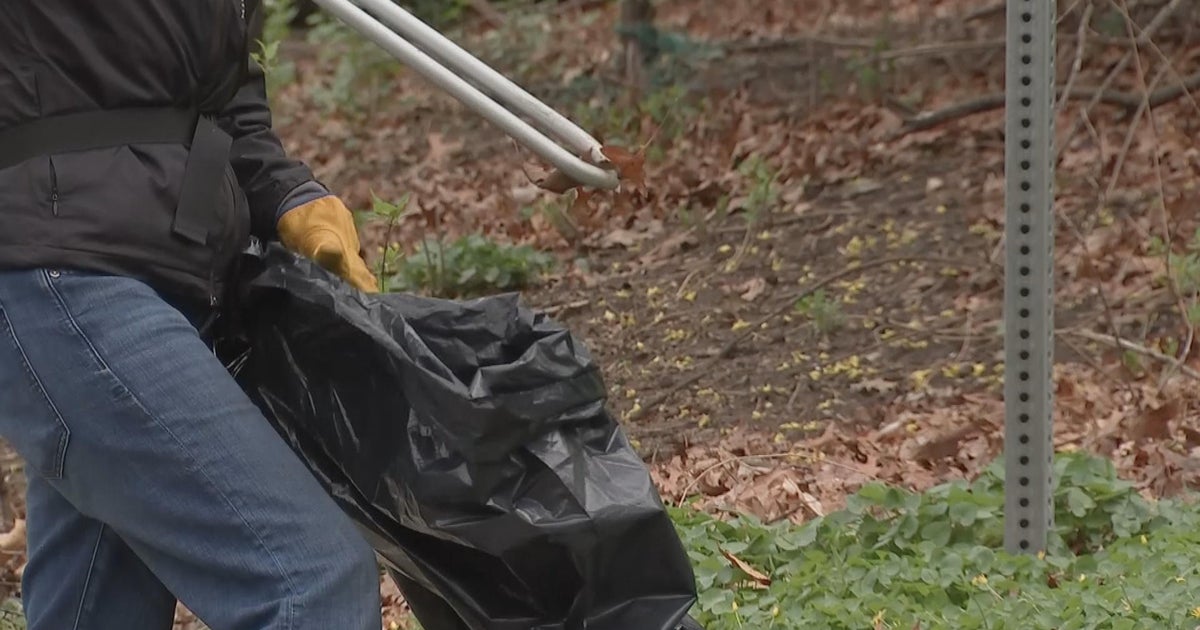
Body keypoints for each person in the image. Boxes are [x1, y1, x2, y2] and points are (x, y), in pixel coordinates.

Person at [0, 1, 383, 628]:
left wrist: (288, 194)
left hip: (166, 273)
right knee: (309, 585)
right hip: (59, 275)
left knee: (97, 613)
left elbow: (221, 101)